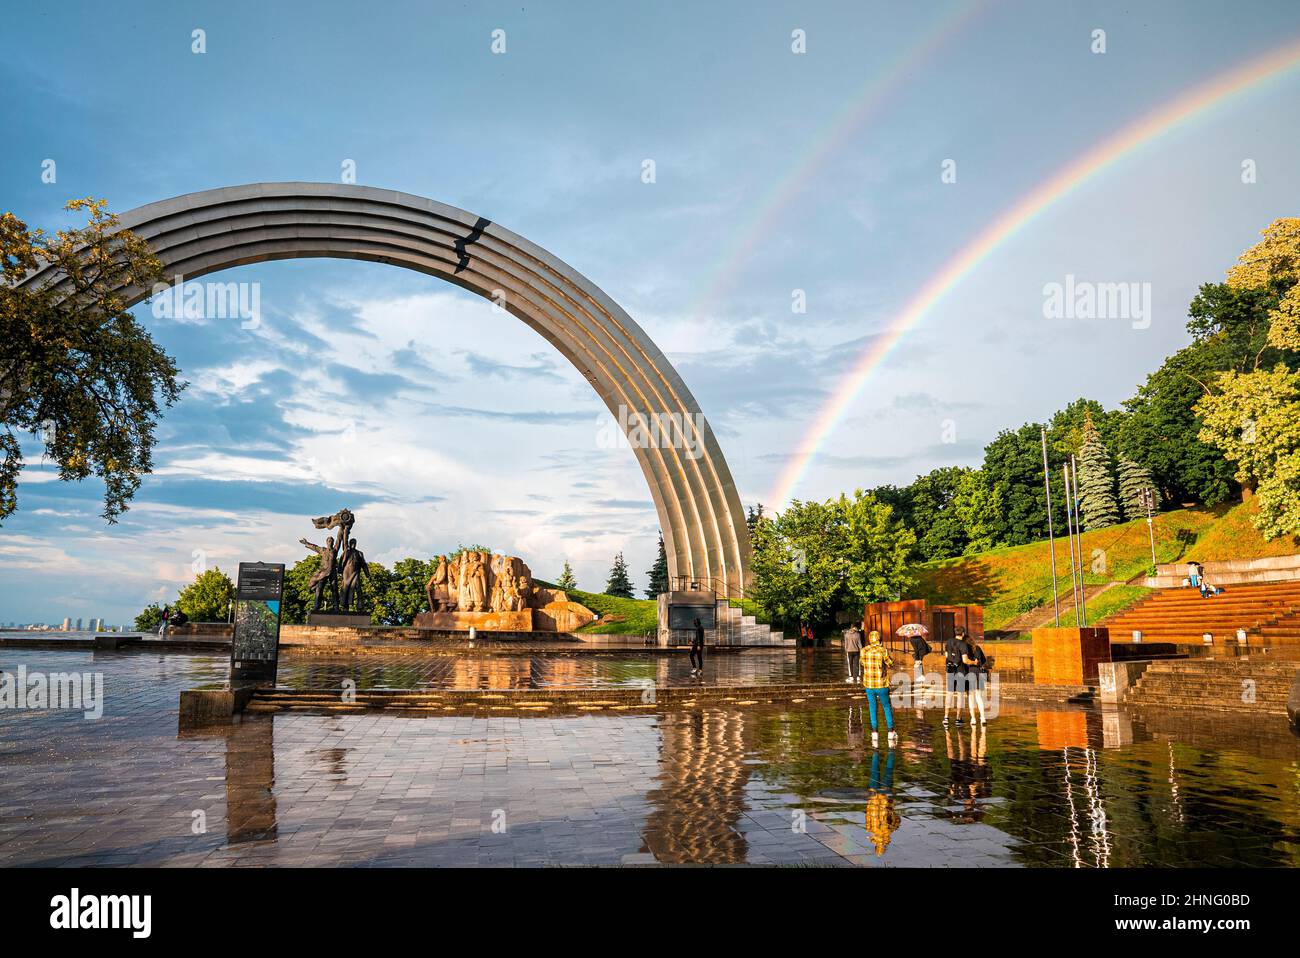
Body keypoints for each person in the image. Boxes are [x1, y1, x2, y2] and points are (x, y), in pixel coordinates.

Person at [859, 629, 897, 748]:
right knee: (886, 707)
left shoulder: (864, 651)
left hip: (869, 684)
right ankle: (890, 732)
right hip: (881, 684)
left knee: (872, 708)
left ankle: (874, 733)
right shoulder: (882, 650)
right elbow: (890, 664)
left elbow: (862, 663)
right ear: (879, 639)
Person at [943, 626, 974, 727]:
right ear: (963, 633)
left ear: (955, 632)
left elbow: (946, 655)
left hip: (950, 670)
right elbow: (965, 660)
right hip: (960, 671)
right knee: (960, 695)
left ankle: (946, 718)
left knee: (949, 693)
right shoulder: (963, 644)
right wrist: (974, 662)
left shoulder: (948, 642)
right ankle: (958, 719)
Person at [966, 634, 988, 724]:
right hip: (978, 673)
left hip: (968, 672)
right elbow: (983, 661)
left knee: (971, 697)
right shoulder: (977, 648)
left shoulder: (965, 650)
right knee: (979, 697)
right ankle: (983, 718)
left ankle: (973, 719)